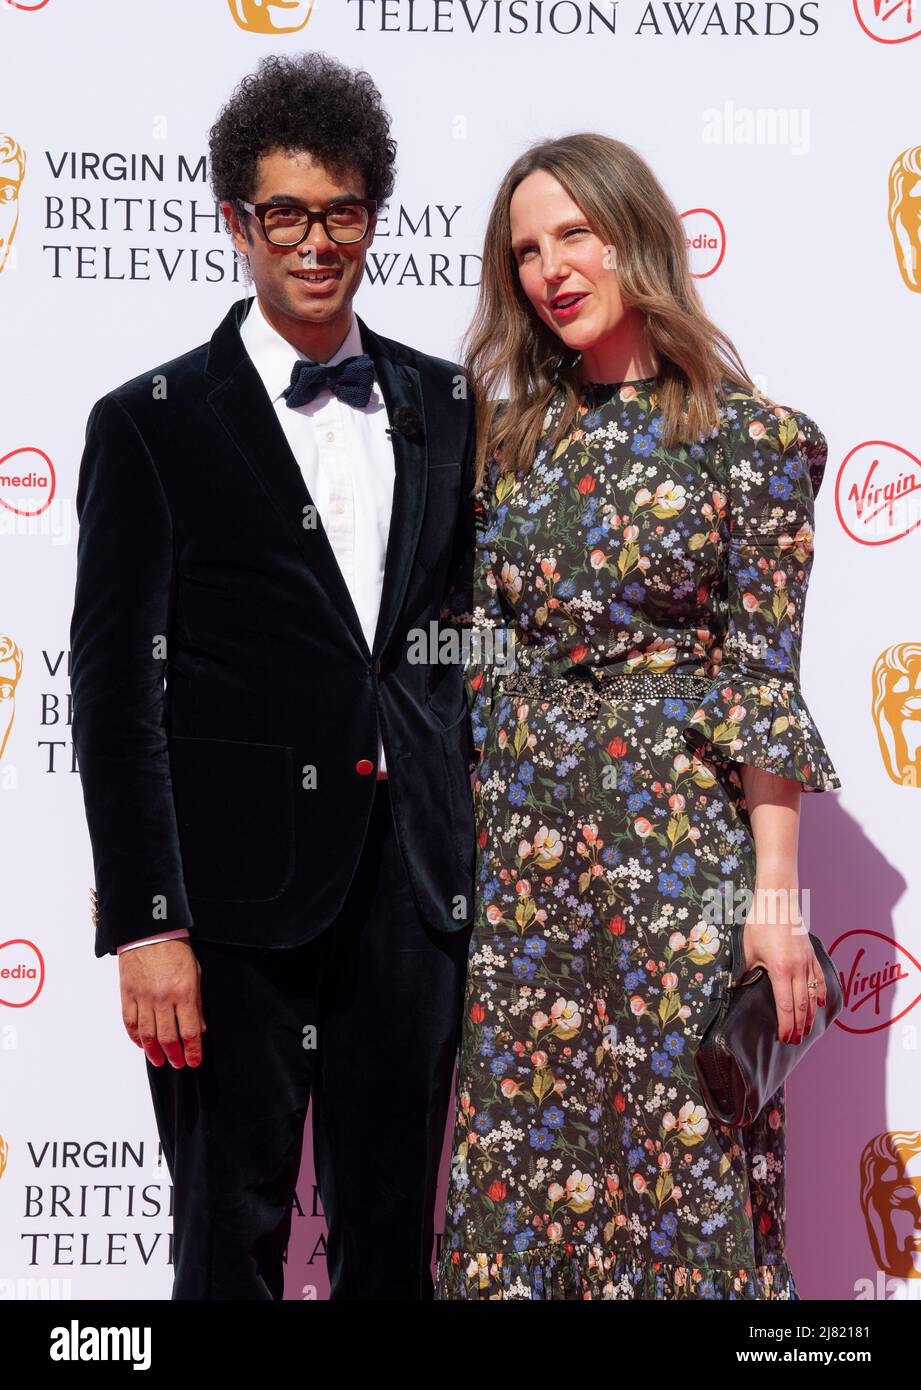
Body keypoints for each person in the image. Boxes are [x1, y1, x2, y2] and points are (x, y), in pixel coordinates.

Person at [70, 53, 477, 1300]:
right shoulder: (148, 421)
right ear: (236, 221)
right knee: (223, 1243)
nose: (316, 243)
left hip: (407, 899)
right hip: (230, 915)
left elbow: (457, 641)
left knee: (393, 1247)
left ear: (374, 215)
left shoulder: (448, 402)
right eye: (286, 214)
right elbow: (111, 694)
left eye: (342, 211)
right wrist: (147, 921)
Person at [435, 132, 841, 1300]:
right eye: (525, 249)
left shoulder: (754, 444)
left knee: (682, 1167)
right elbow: (467, 658)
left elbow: (765, 682)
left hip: (676, 862)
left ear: (637, 234)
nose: (551, 268)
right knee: (521, 1168)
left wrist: (777, 902)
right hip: (525, 874)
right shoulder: (500, 446)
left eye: (576, 233)